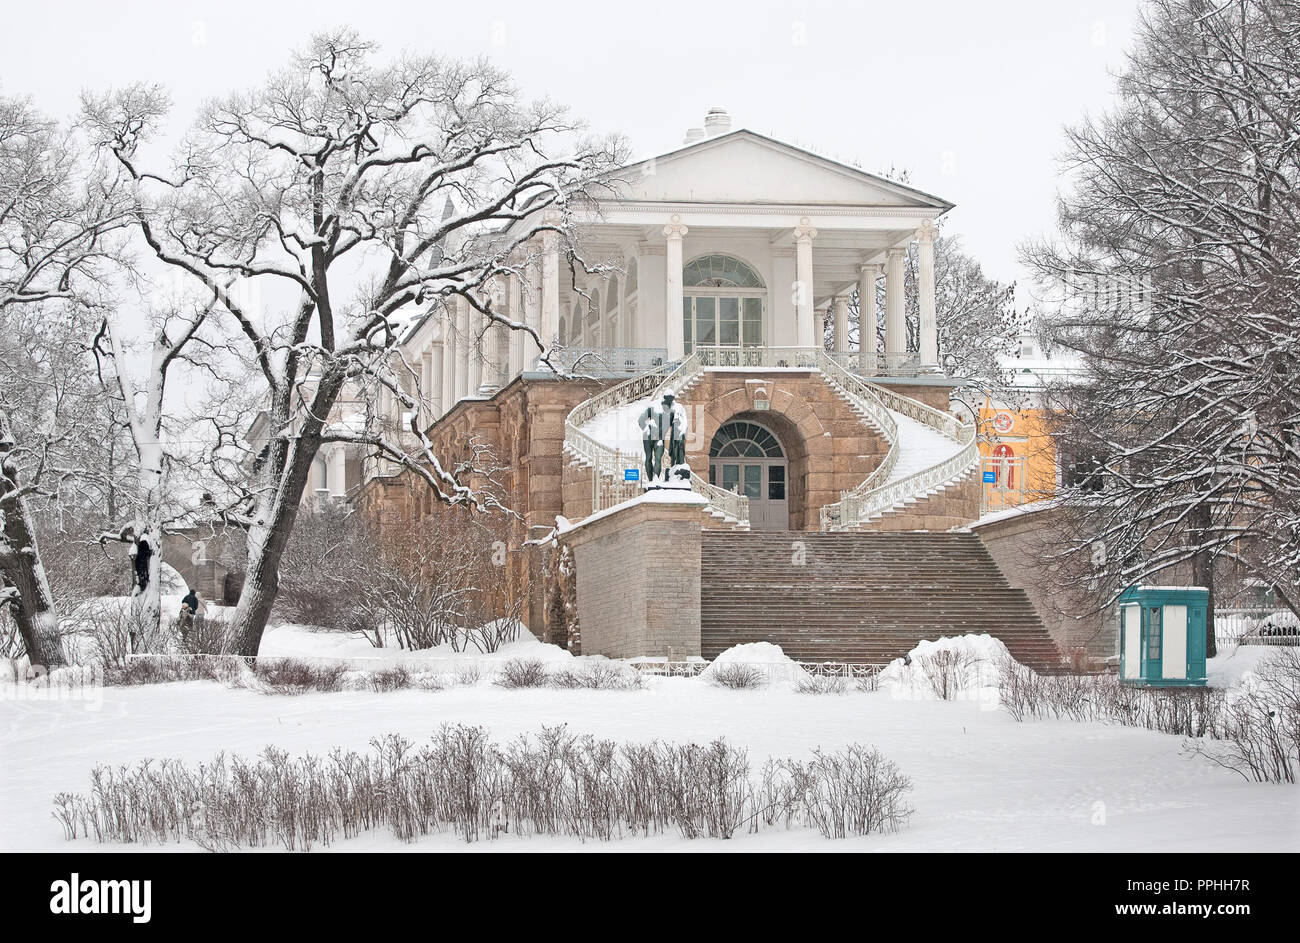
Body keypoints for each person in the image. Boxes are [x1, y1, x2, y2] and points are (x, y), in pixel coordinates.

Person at [637, 395, 670, 482]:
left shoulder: (665, 411)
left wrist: (648, 430)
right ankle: (653, 480)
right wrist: (648, 429)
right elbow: (641, 420)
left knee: (654, 458)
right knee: (653, 458)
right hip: (653, 436)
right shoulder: (653, 409)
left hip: (654, 436)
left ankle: (653, 480)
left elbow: (641, 420)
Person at [663, 389, 688, 470]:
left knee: (680, 448)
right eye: (667, 398)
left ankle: (680, 463)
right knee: (674, 450)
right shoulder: (667, 408)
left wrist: (683, 430)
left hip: (680, 430)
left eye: (670, 398)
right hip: (674, 431)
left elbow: (684, 420)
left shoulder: (679, 407)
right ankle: (673, 465)